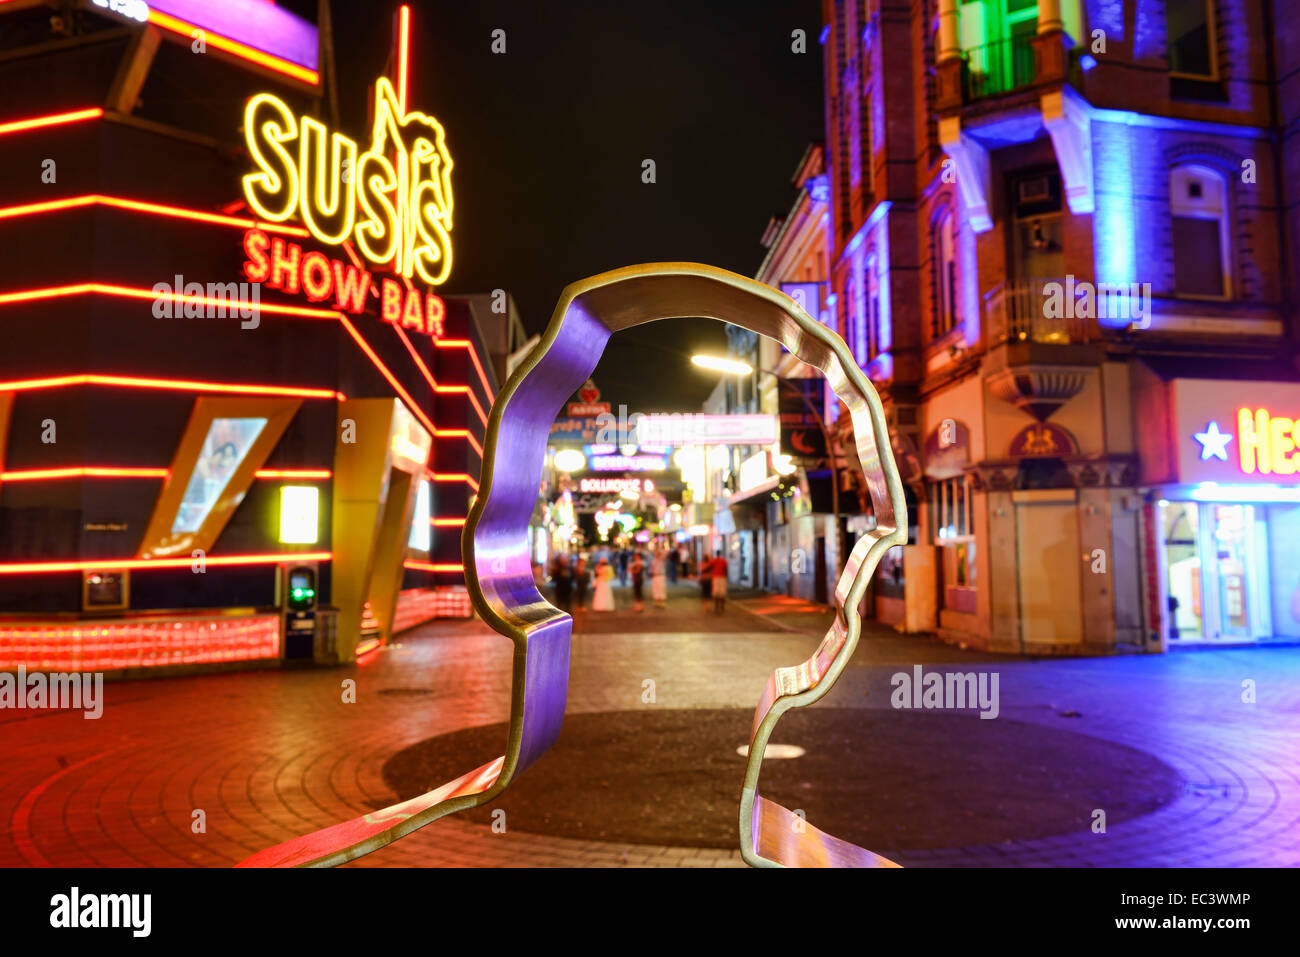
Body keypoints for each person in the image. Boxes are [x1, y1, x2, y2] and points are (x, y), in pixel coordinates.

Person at [710, 549, 729, 615]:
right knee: (722, 593)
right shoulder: (724, 560)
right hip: (722, 578)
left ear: (716, 554)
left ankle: (716, 607)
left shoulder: (713, 560)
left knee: (716, 593)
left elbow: (710, 568)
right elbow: (726, 569)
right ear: (720, 554)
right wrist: (726, 577)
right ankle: (722, 606)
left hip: (715, 578)